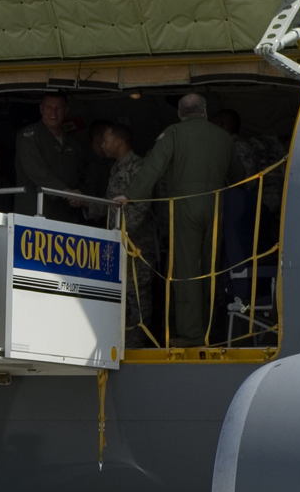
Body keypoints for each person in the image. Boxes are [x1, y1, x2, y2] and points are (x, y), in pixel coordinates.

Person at [121, 92, 240, 346]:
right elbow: (239, 175)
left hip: (185, 207)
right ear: (205, 111)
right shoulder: (224, 138)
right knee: (211, 268)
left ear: (179, 114)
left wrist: (130, 196)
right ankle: (212, 328)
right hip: (216, 207)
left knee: (187, 270)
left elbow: (153, 167)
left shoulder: (173, 133)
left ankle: (192, 334)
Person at [95, 123, 155, 347]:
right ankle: (126, 335)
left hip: (135, 241)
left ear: (119, 142)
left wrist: (124, 233)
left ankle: (140, 336)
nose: (103, 145)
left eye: (106, 140)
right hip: (118, 241)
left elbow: (141, 205)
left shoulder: (138, 167)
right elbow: (111, 204)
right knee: (123, 291)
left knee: (137, 291)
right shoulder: (117, 167)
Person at [14, 93, 90, 222]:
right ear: (41, 109)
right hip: (35, 211)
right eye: (49, 107)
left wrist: (80, 194)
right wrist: (64, 191)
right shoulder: (29, 136)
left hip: (64, 213)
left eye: (58, 108)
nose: (53, 113)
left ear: (66, 111)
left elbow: (81, 173)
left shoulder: (72, 141)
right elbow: (34, 169)